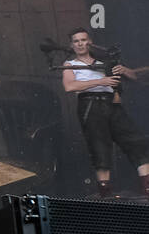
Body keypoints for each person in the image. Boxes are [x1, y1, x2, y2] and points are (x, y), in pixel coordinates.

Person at [61, 28, 149, 199]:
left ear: (90, 42)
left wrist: (123, 70)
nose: (80, 44)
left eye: (83, 40)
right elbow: (70, 86)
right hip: (90, 104)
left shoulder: (104, 62)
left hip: (112, 104)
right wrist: (101, 81)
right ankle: (105, 192)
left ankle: (146, 187)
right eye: (76, 41)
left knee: (136, 141)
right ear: (71, 45)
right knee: (100, 147)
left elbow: (133, 77)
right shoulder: (70, 65)